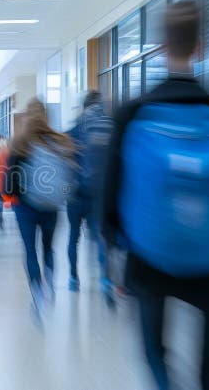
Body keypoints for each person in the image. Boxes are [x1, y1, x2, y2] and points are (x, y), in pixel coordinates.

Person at [102, 1, 209, 390]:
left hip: (150, 256)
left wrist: (113, 244)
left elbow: (111, 193)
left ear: (162, 49)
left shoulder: (134, 114)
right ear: (202, 48)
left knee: (153, 351)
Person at [6, 98, 76, 323]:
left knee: (30, 250)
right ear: (46, 116)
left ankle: (37, 292)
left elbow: (8, 184)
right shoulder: (59, 141)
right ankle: (51, 281)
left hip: (25, 206)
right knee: (48, 248)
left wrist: (18, 194)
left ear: (27, 116)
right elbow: (70, 178)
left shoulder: (19, 143)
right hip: (52, 206)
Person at [66, 90, 114, 302]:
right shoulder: (109, 128)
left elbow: (64, 162)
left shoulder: (71, 132)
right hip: (98, 192)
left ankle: (73, 278)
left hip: (75, 193)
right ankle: (105, 278)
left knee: (73, 236)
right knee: (100, 236)